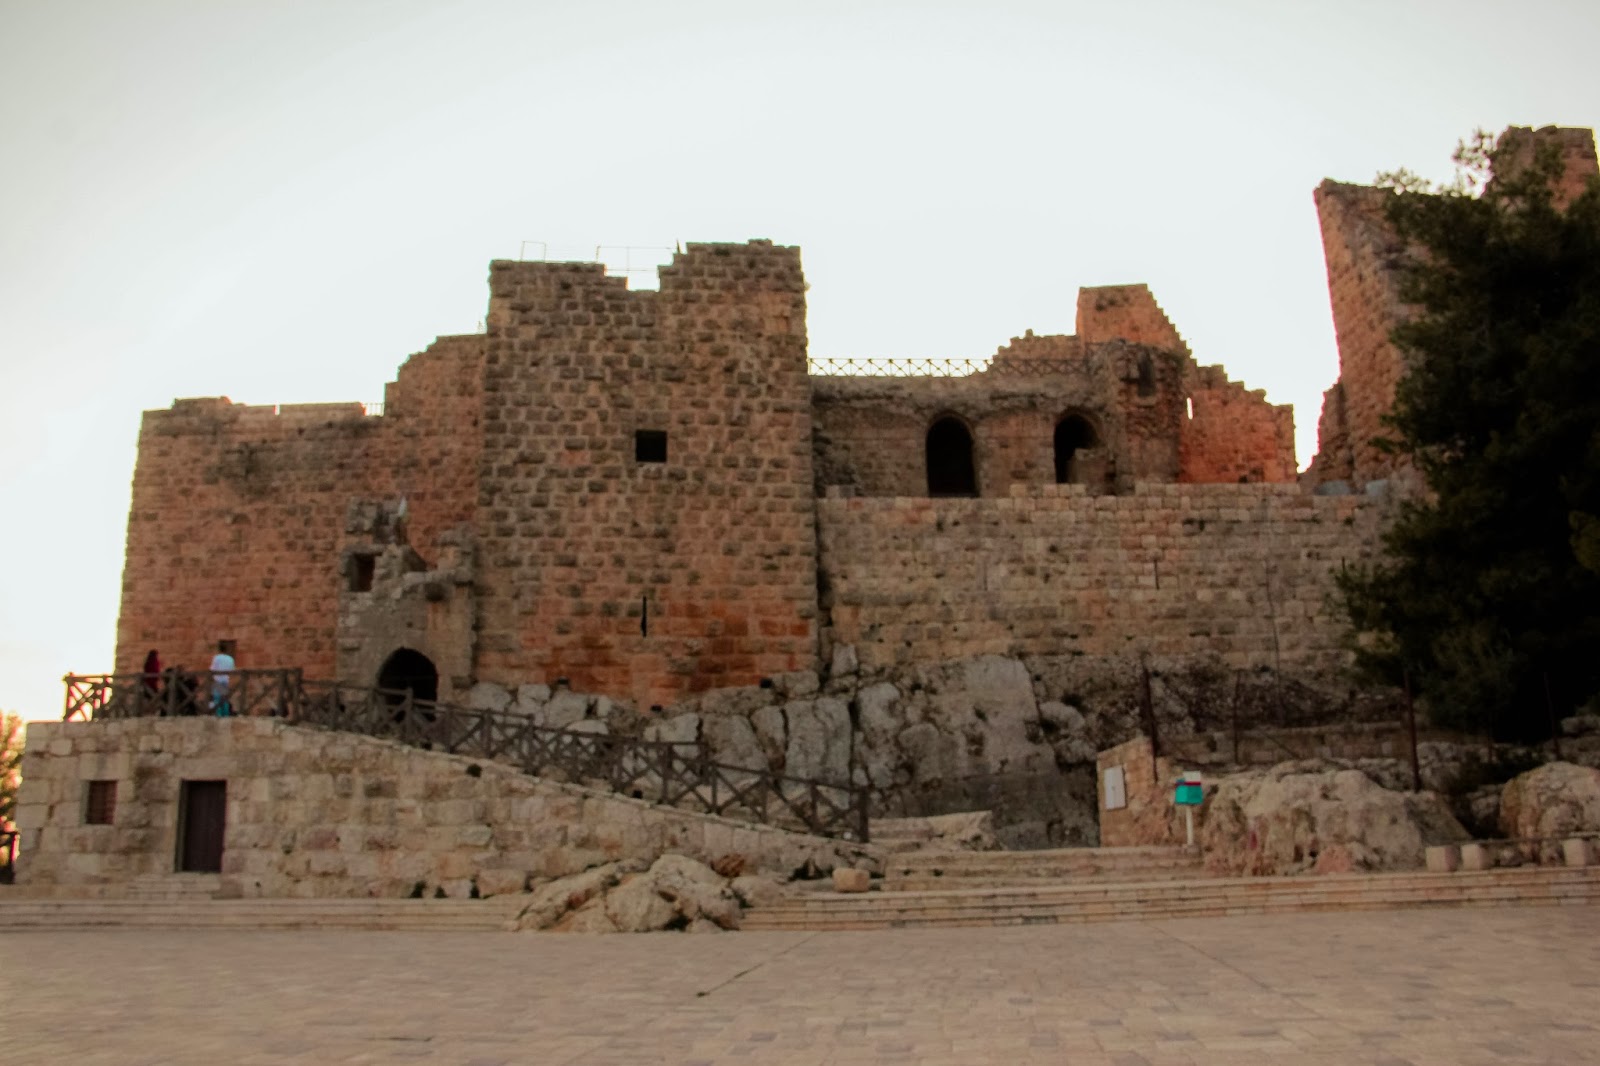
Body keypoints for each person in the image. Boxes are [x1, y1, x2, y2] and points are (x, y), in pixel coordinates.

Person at [210, 641, 236, 717]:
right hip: (226, 680)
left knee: (217, 699)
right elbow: (232, 669)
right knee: (224, 699)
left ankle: (219, 714)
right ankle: (226, 714)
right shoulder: (230, 659)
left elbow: (212, 669)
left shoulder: (217, 658)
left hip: (218, 680)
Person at [141, 650, 162, 714]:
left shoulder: (148, 662)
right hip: (151, 683)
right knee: (153, 697)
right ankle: (151, 711)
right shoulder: (153, 662)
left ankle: (149, 710)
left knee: (150, 697)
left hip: (149, 683)